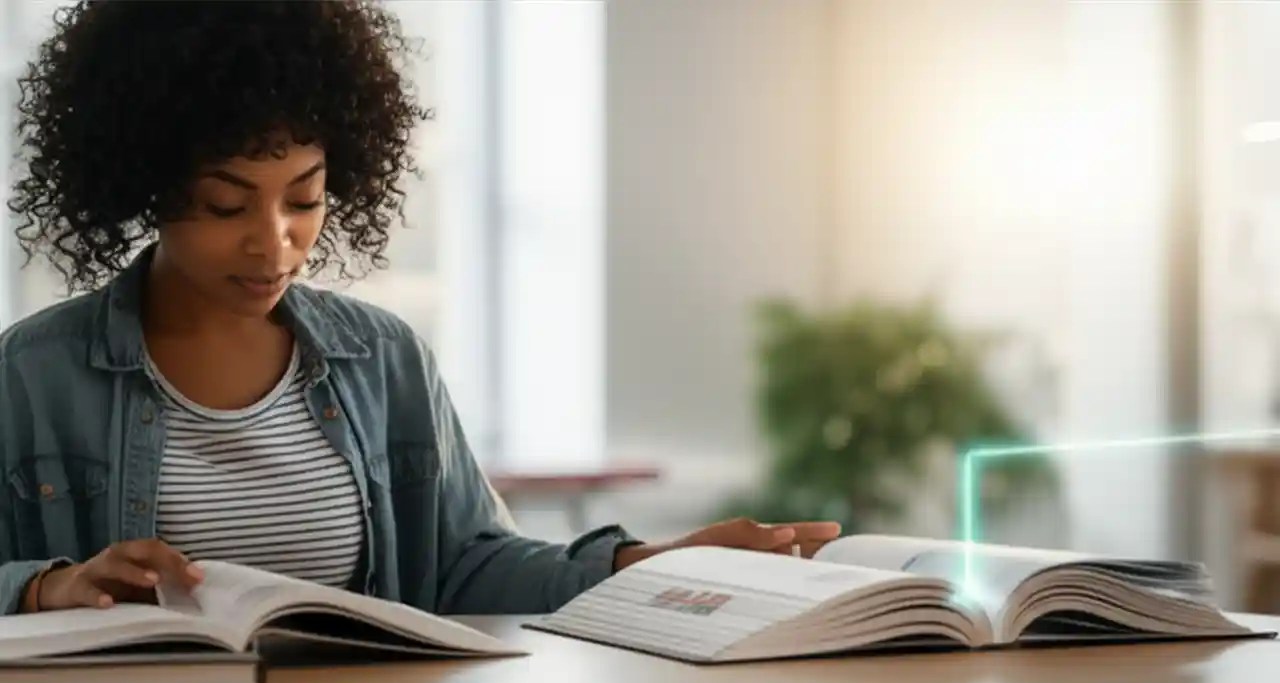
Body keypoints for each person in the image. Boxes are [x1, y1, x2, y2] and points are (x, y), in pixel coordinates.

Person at [0, 1, 839, 617]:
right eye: (226, 206)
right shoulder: (33, 375)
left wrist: (650, 561)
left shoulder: (382, 358)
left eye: (304, 200)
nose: (275, 243)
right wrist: (47, 586)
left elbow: (467, 565)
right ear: (145, 184)